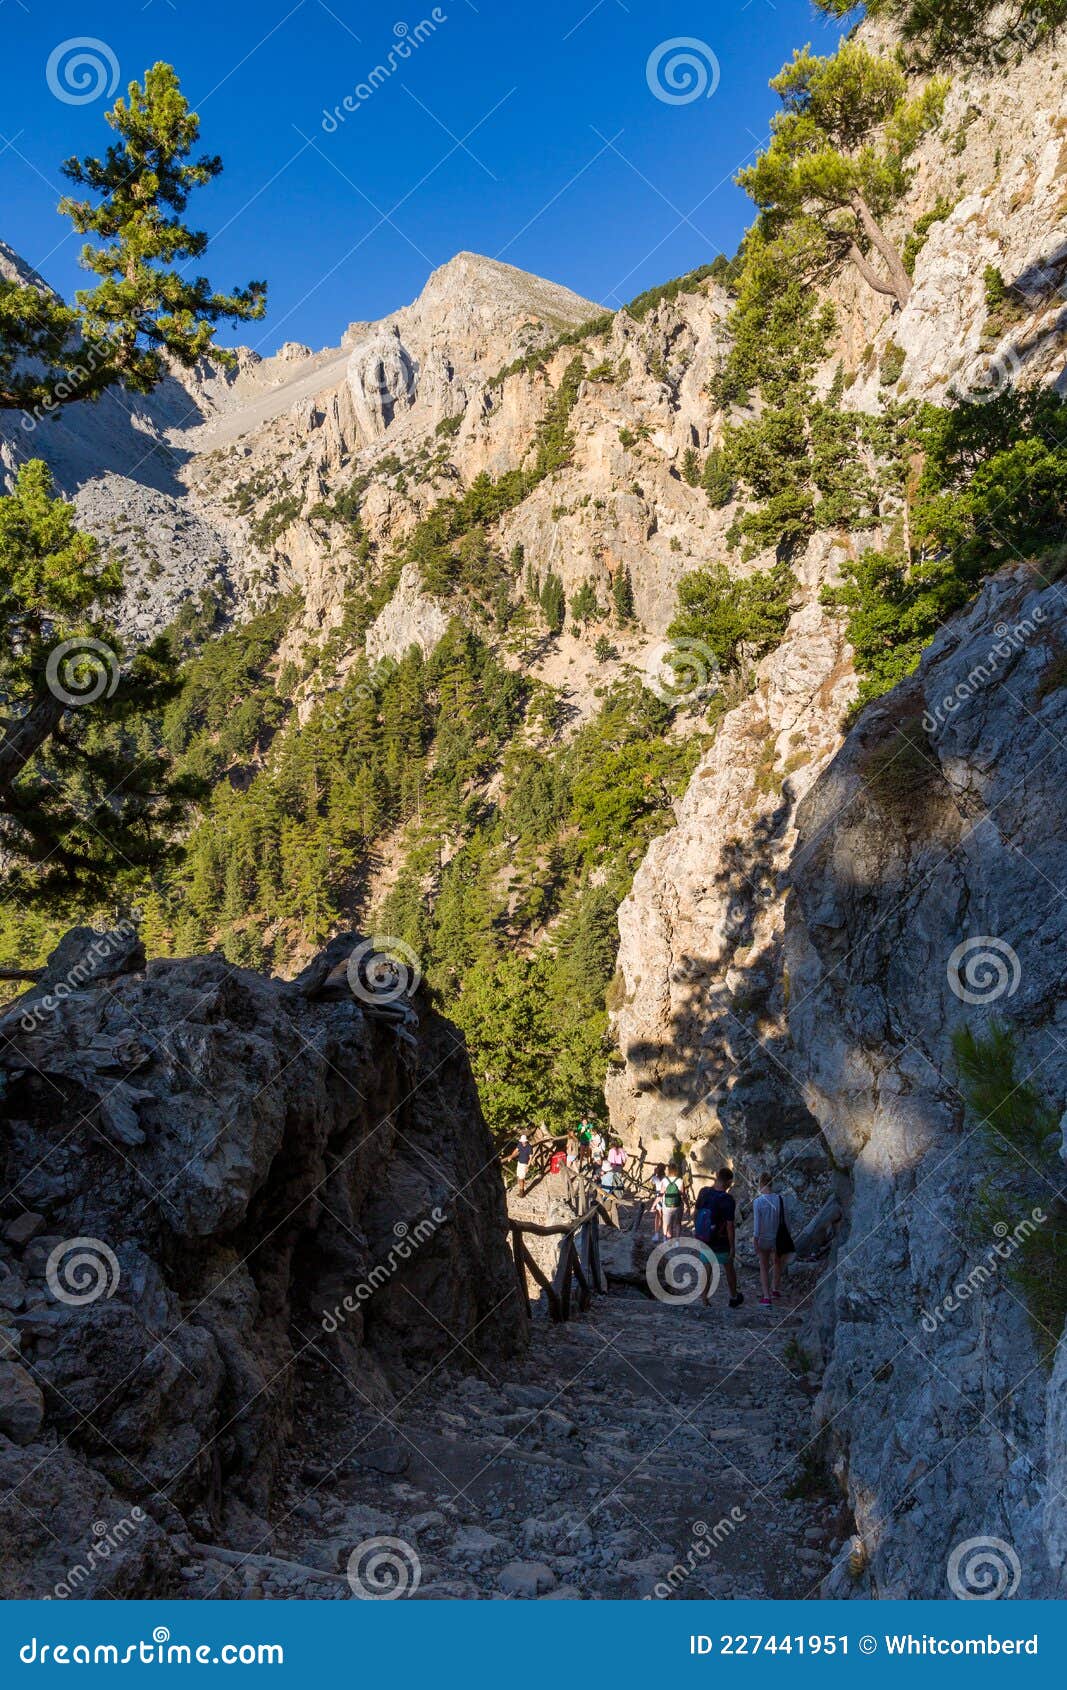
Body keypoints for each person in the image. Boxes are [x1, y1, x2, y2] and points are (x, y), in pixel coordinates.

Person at [693, 1168, 744, 1309]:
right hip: (721, 1240)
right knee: (728, 1267)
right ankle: (733, 1297)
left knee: (707, 1266)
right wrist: (732, 1247)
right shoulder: (728, 1200)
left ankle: (704, 1298)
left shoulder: (704, 1192)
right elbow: (730, 1225)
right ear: (729, 1182)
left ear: (717, 1177)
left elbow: (695, 1214)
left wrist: (699, 1232)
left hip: (705, 1238)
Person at [753, 1172, 790, 1305]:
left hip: (764, 1238)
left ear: (761, 1184)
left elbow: (757, 1225)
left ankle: (766, 1296)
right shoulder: (781, 1199)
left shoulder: (758, 1202)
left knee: (763, 1266)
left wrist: (755, 1241)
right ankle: (775, 1289)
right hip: (777, 1237)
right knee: (777, 1262)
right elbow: (786, 1221)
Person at [661, 1163, 684, 1239]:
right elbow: (683, 1194)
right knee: (678, 1223)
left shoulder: (664, 1180)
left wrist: (654, 1204)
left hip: (666, 1205)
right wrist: (687, 1205)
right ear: (676, 1170)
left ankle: (666, 1239)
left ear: (668, 1170)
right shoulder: (680, 1180)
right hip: (677, 1205)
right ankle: (677, 1242)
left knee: (666, 1223)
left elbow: (661, 1193)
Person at [510, 1132, 532, 1198]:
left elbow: (530, 1158)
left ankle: (522, 1193)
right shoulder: (520, 1144)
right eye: (522, 1141)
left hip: (524, 1164)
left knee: (521, 1179)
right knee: (518, 1177)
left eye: (524, 1141)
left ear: (526, 1141)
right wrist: (511, 1156)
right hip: (519, 1163)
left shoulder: (529, 1147)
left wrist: (527, 1166)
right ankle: (521, 1190)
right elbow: (515, 1150)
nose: (523, 1142)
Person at [650, 1163, 667, 1240]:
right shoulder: (666, 1178)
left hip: (658, 1197)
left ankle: (656, 1234)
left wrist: (654, 1173)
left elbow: (651, 1183)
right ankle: (664, 1236)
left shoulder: (655, 1178)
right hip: (665, 1197)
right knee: (665, 1217)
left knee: (658, 1216)